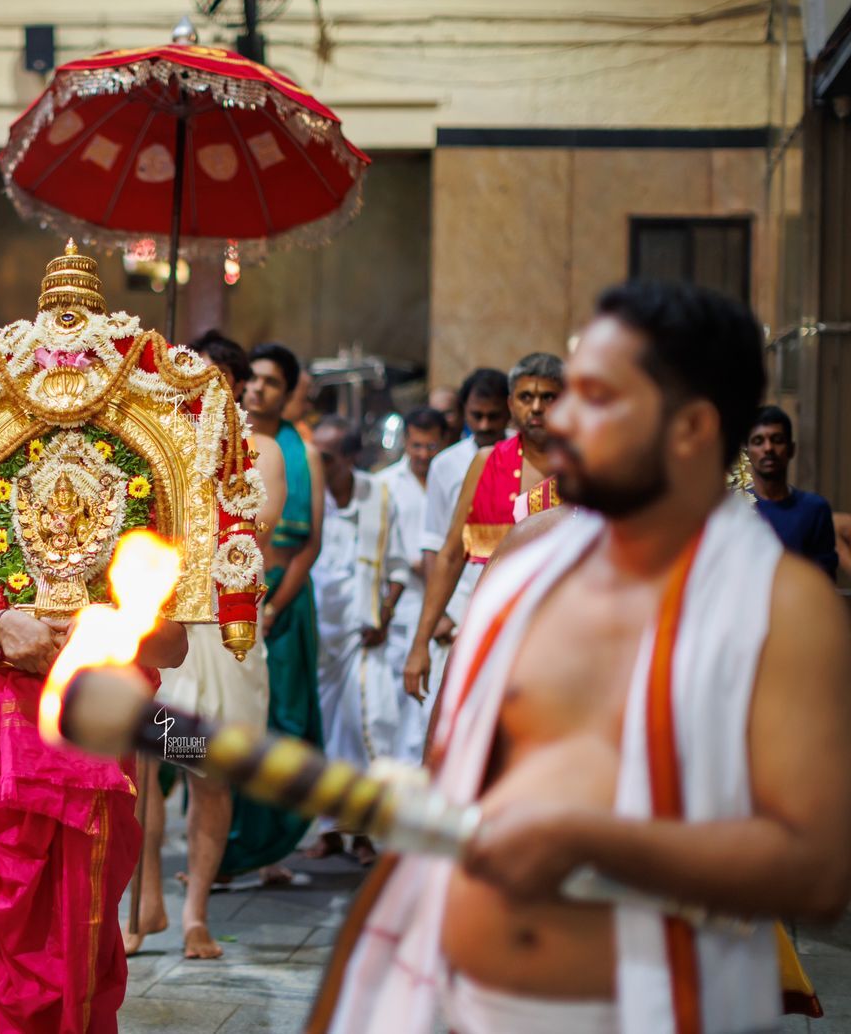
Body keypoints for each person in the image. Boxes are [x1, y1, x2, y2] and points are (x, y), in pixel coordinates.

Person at [321, 280, 851, 1033]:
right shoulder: (530, 552)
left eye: (596, 397)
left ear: (692, 427)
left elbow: (817, 871)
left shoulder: (779, 606)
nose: (557, 418)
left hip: (662, 1004)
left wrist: (581, 838)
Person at [0, 242, 248, 1034]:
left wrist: (114, 626)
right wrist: (0, 626)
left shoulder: (144, 463)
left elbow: (171, 649)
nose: (68, 366)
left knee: (75, 937)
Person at [128, 329, 289, 960]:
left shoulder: (261, 450)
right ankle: (146, 903)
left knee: (209, 774)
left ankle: (196, 911)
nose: (204, 386)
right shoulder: (156, 441)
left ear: (236, 386)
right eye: (191, 373)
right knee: (145, 768)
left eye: (219, 377)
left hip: (225, 634)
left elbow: (254, 528)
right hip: (168, 629)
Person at [218, 341, 325, 886]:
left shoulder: (295, 451)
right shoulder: (207, 442)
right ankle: (218, 848)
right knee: (195, 735)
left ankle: (265, 845)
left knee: (274, 722)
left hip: (278, 600)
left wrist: (275, 606)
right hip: (216, 603)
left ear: (290, 392)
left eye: (272, 382)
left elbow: (308, 541)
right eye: (252, 378)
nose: (259, 389)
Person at [403, 354, 564, 705]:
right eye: (526, 397)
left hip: (562, 629)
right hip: (487, 623)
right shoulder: (487, 462)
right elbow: (449, 555)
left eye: (548, 397)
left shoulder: (587, 467)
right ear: (511, 404)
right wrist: (421, 643)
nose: (536, 408)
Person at [306, 415, 409, 867]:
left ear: (350, 458)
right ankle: (329, 828)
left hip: (361, 632)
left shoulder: (378, 495)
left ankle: (364, 830)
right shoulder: (307, 496)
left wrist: (383, 617)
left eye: (326, 458)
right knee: (324, 734)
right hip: (316, 632)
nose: (318, 465)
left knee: (366, 726)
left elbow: (400, 568)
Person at [377, 406, 448, 763]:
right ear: (405, 442)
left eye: (431, 446)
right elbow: (381, 549)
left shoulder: (452, 480)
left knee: (432, 699)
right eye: (417, 446)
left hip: (445, 607)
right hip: (403, 605)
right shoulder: (386, 484)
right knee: (397, 698)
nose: (423, 454)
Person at [746, 406, 838, 578]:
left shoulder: (814, 510)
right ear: (748, 453)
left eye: (777, 440)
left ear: (791, 449)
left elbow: (823, 582)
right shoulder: (734, 511)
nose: (768, 448)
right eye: (758, 441)